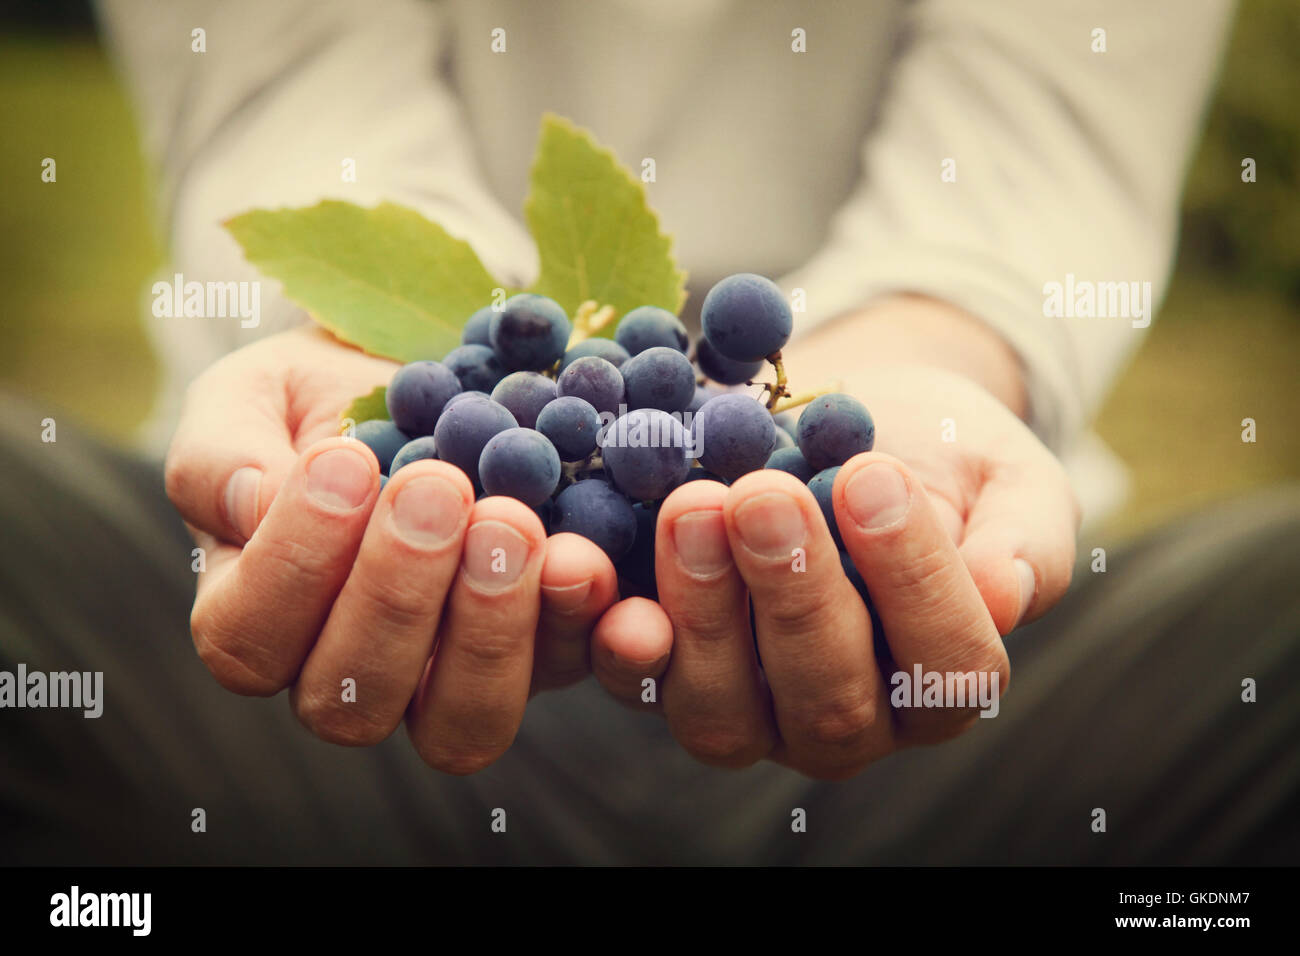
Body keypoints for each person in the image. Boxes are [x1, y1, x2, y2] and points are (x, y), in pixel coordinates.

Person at [3, 0, 1294, 864]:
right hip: (310, 667)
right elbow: (282, 65)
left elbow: (1045, 118)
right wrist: (348, 337)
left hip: (952, 666)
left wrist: (930, 349)